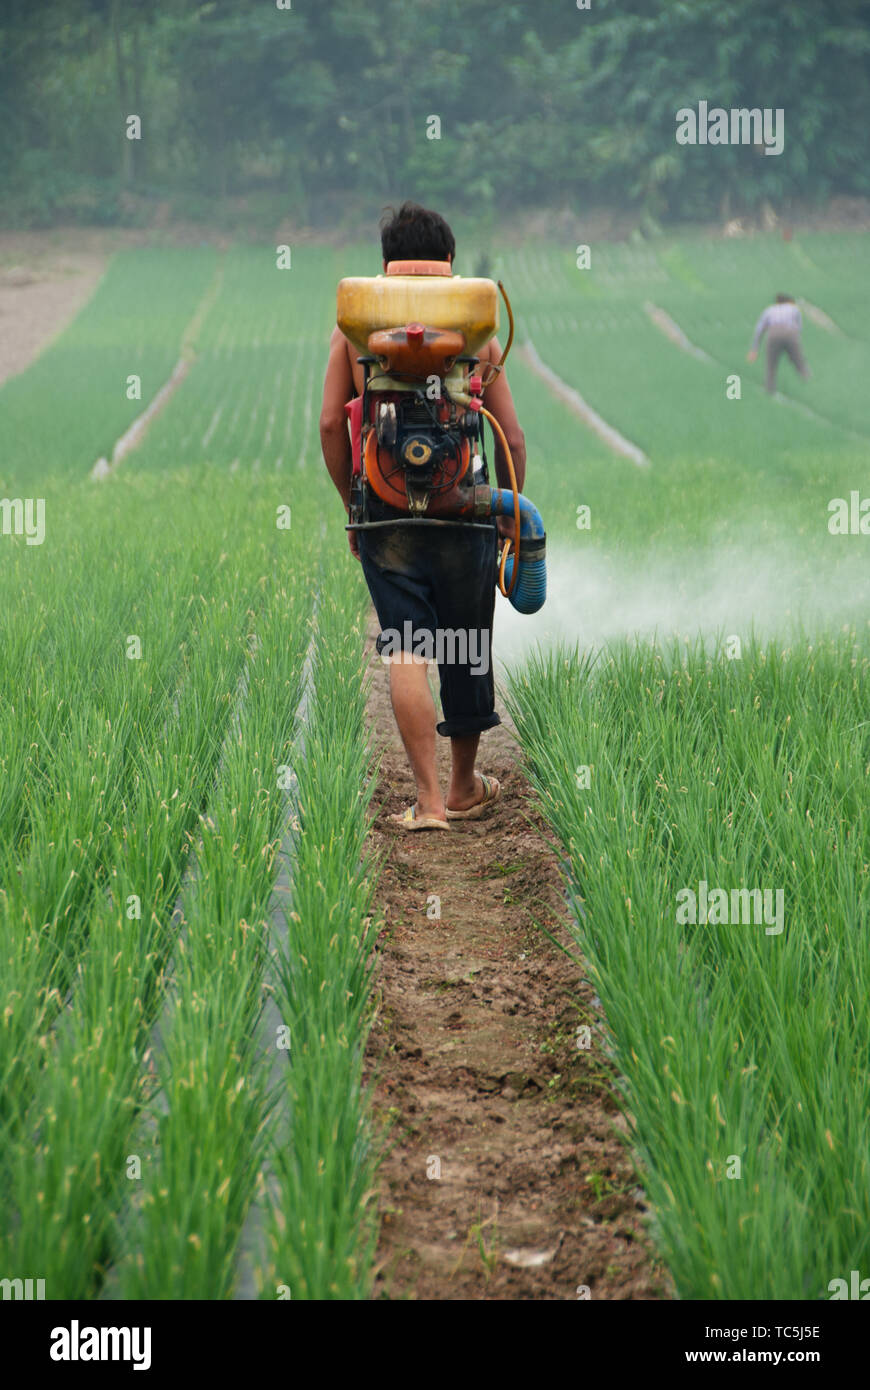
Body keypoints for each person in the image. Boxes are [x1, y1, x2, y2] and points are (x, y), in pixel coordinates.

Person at [319, 202, 526, 831]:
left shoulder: (357, 328)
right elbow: (510, 438)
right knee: (466, 646)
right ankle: (464, 787)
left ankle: (429, 803)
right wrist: (509, 515)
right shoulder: (476, 326)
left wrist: (353, 509)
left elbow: (331, 423)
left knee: (406, 647)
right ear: (450, 262)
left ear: (386, 262)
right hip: (465, 510)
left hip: (384, 515)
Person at [747, 293, 811, 394]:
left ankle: (770, 388)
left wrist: (754, 349)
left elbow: (760, 329)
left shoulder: (769, 310)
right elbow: (799, 327)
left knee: (771, 363)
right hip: (790, 333)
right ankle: (807, 378)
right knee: (798, 359)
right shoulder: (793, 308)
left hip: (774, 334)